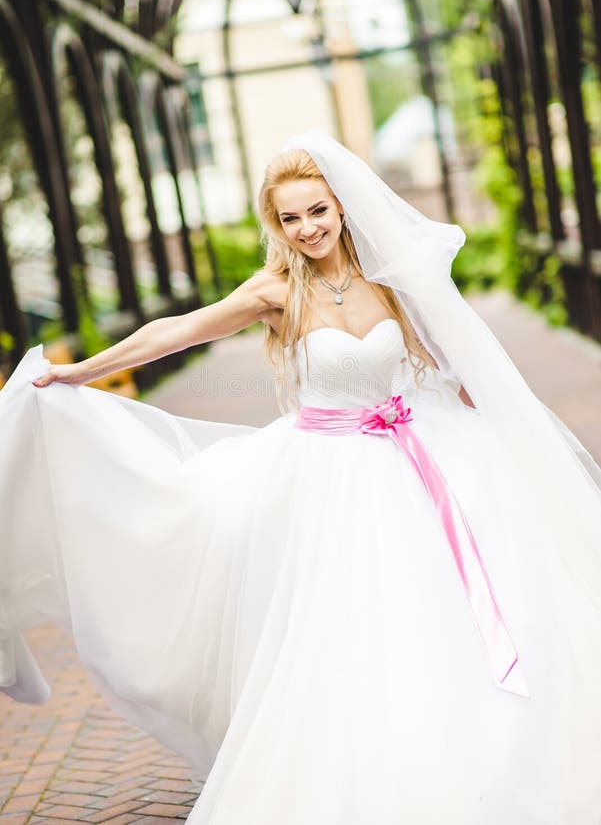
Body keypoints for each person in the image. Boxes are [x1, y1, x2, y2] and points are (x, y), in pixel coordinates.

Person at [2, 129, 601, 825]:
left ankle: (479, 742)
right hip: (326, 477)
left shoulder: (391, 281)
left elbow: (457, 360)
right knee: (344, 622)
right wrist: (77, 372)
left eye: (316, 210)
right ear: (276, 225)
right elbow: (173, 332)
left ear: (341, 207)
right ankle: (366, 762)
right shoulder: (275, 290)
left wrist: (502, 431)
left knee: (447, 607)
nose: (307, 228)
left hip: (421, 456)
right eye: (290, 218)